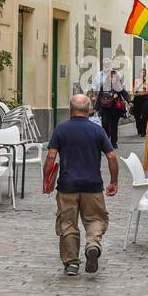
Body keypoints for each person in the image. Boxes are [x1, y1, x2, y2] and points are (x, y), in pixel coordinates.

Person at [46, 94, 119, 276]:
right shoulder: (97, 130)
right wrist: (113, 181)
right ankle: (92, 245)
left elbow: (51, 156)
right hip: (92, 186)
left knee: (67, 223)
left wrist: (46, 180)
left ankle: (71, 263)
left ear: (70, 109)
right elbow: (111, 156)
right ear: (89, 109)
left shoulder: (61, 129)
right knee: (95, 219)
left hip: (67, 186)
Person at [93, 64, 130, 150]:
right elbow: (99, 96)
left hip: (115, 108)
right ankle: (106, 141)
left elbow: (124, 93)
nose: (112, 78)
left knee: (114, 125)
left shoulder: (118, 86)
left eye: (113, 77)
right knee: (105, 124)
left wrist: (129, 101)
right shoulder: (104, 86)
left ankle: (114, 142)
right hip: (105, 108)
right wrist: (96, 108)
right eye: (111, 77)